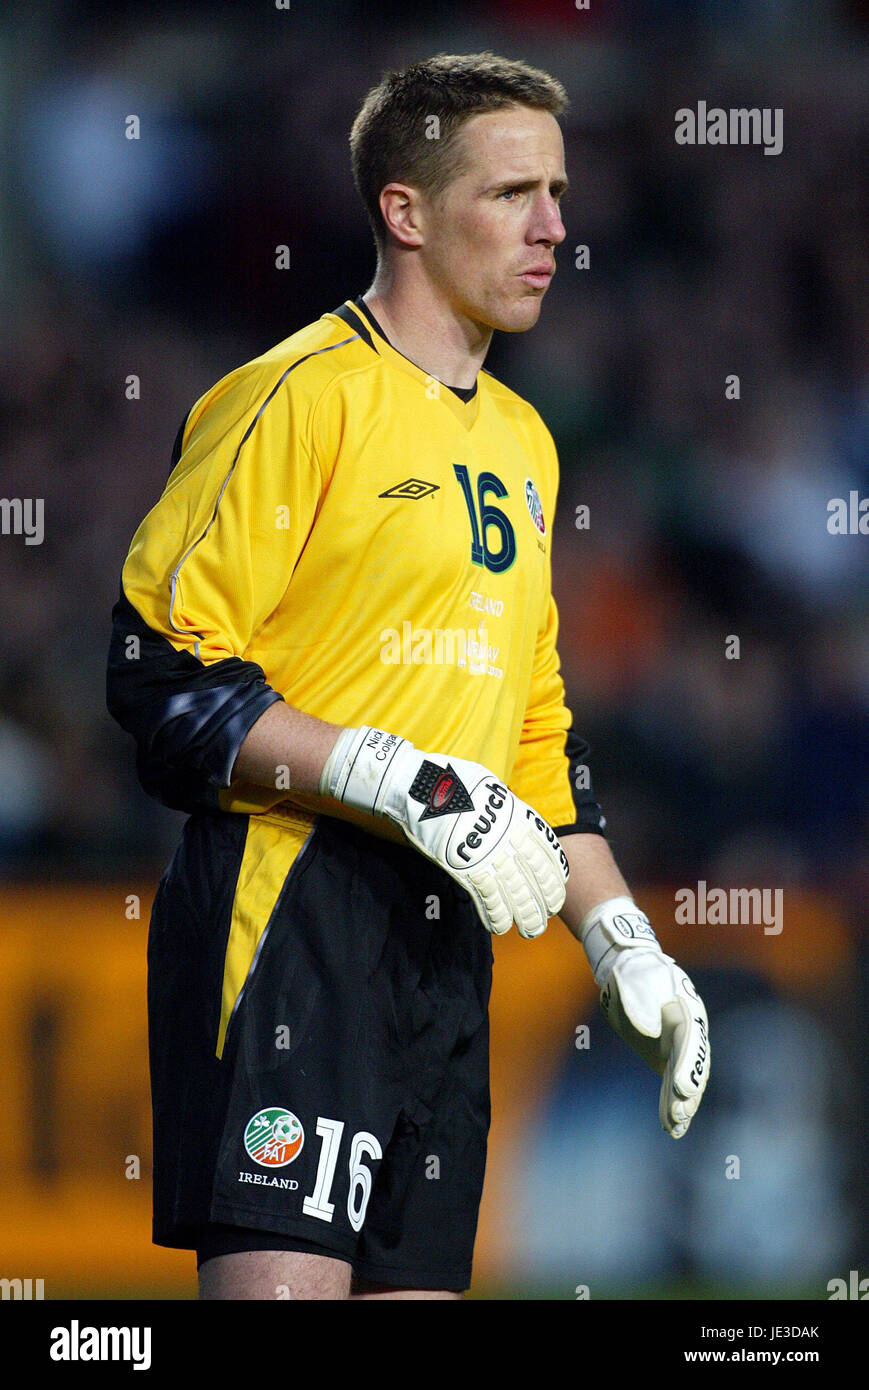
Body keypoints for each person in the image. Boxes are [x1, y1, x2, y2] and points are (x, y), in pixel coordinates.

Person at [106, 51, 709, 1302]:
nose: (554, 227)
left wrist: (619, 936)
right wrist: (396, 777)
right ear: (405, 212)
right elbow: (159, 676)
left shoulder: (526, 439)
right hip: (293, 915)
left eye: (557, 191)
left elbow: (534, 729)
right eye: (509, 194)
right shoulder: (292, 397)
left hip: (444, 948)